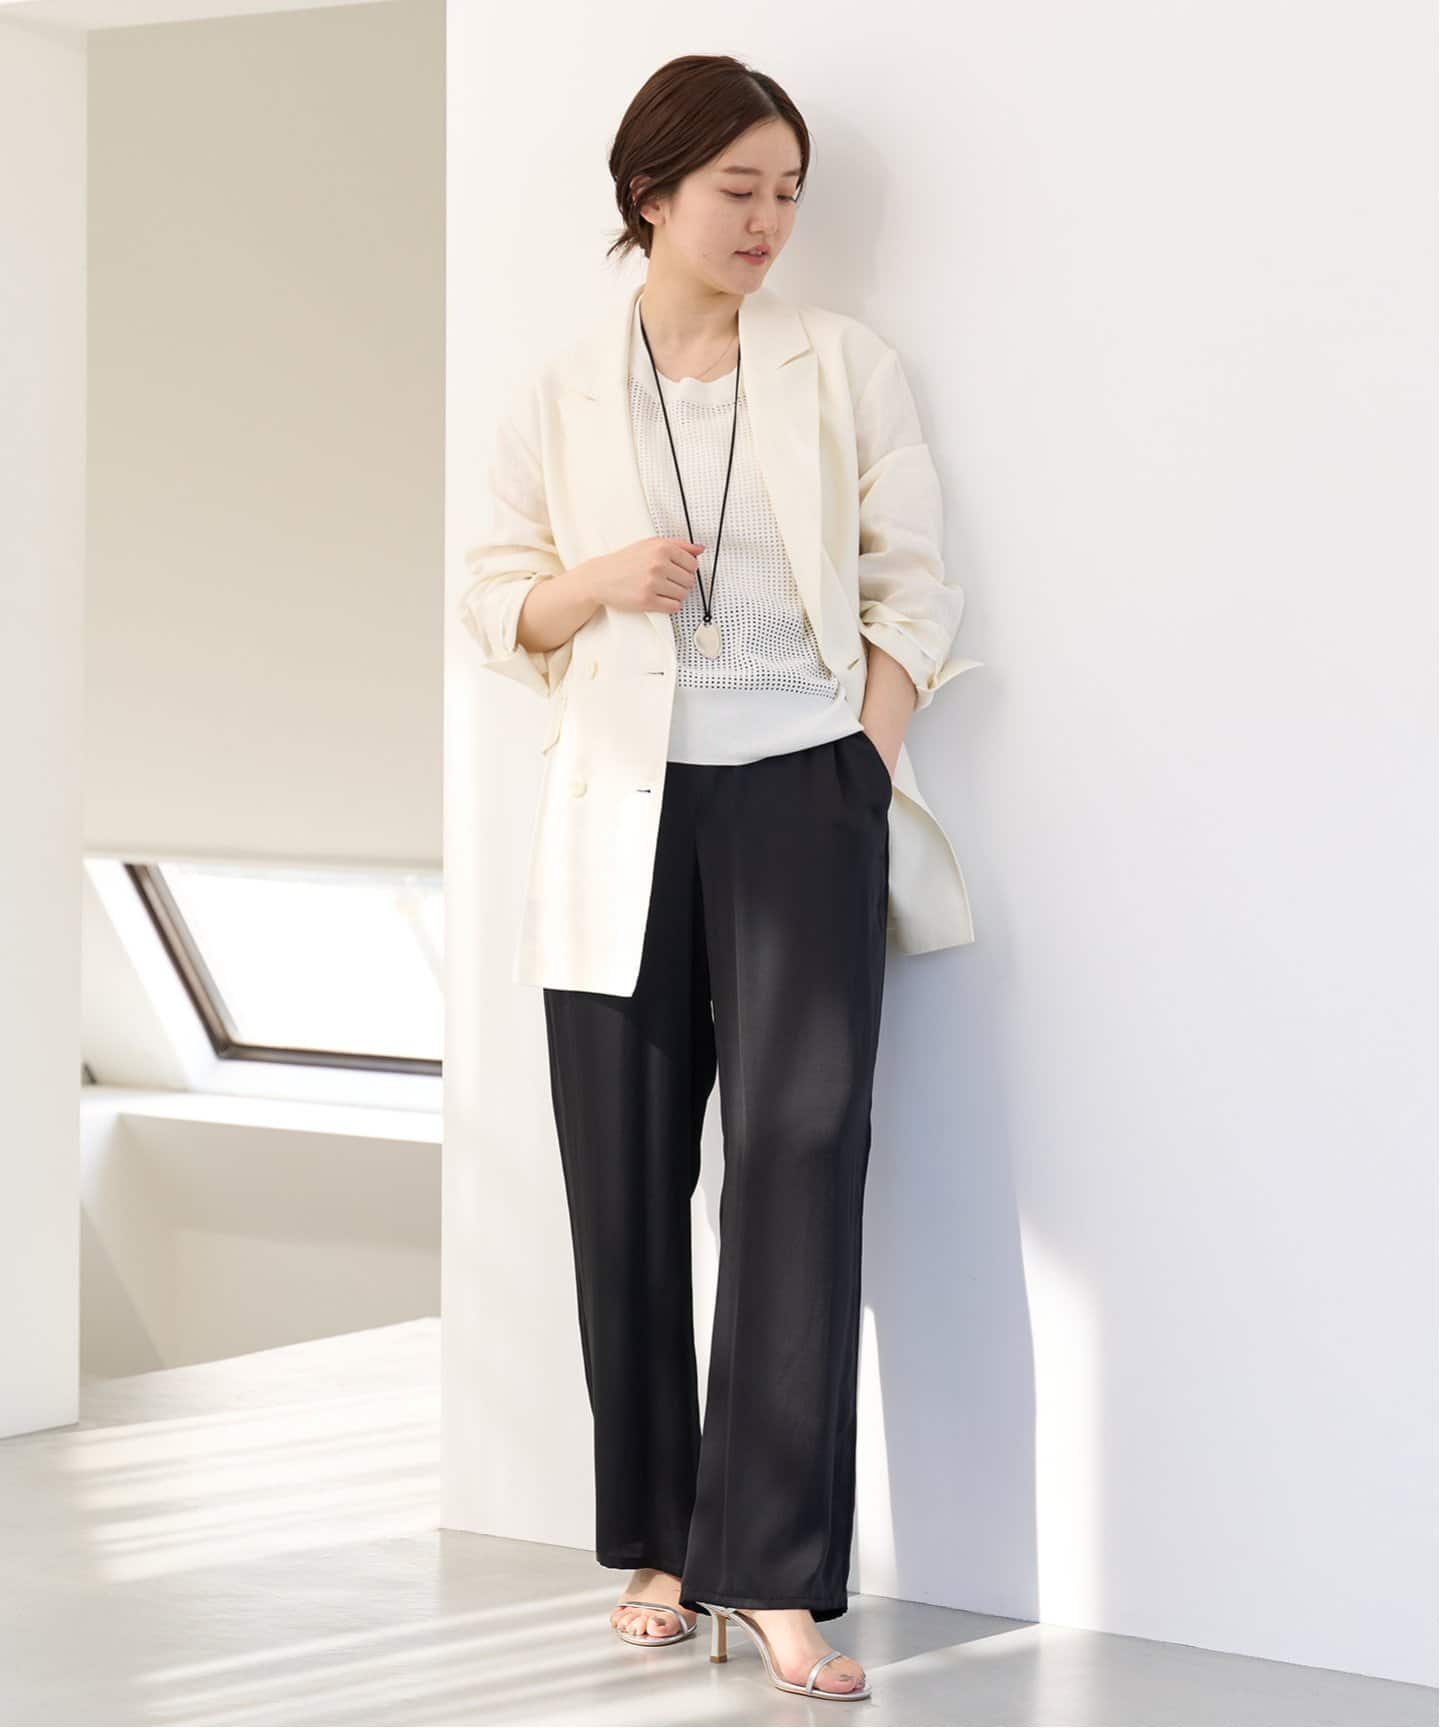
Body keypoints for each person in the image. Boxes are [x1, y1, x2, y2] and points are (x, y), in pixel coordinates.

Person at [459, 52, 981, 1705]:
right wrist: (595, 583)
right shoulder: (560, 391)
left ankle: (775, 1576)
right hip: (618, 810)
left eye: (788, 193)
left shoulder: (846, 367)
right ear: (653, 196)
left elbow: (916, 585)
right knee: (621, 1177)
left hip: (800, 798)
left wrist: (860, 763)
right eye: (738, 189)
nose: (768, 221)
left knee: (800, 1164)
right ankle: (662, 1545)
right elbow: (493, 598)